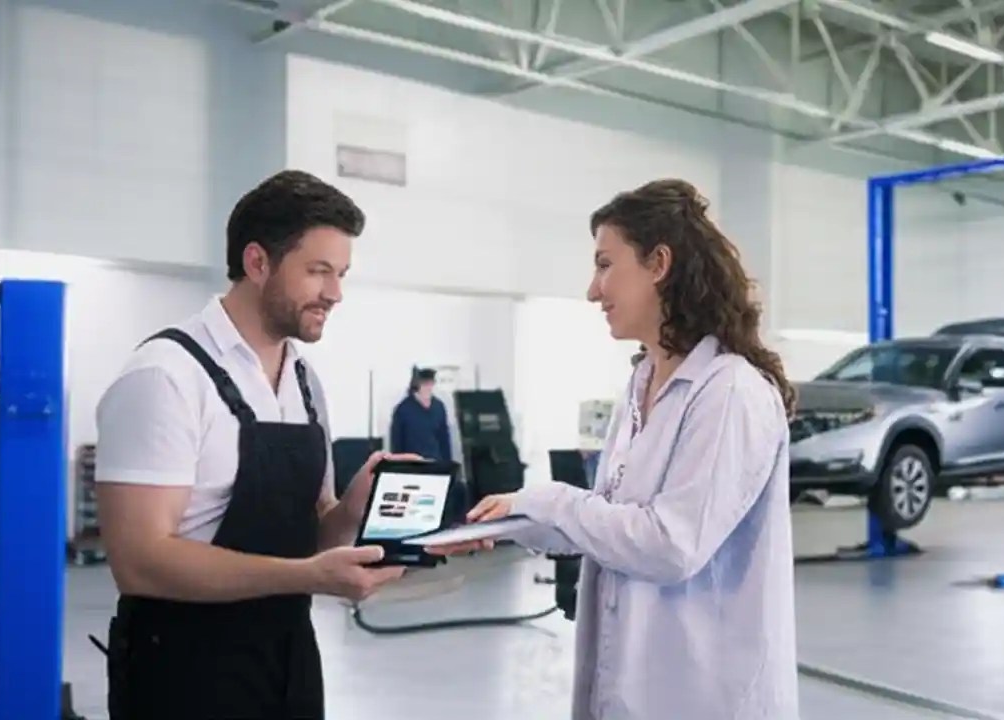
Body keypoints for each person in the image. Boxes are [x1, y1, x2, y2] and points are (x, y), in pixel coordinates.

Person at [430, 178, 801, 720]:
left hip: (701, 699)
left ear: (658, 264)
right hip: (629, 694)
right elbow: (610, 522)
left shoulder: (730, 391)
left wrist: (554, 500)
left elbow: (671, 544)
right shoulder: (642, 383)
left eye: (605, 264)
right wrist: (508, 520)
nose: (592, 290)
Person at [94, 170, 412, 720]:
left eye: (341, 274)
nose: (335, 293)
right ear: (257, 262)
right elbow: (139, 561)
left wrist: (352, 511)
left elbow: (310, 534)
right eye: (318, 271)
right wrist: (309, 577)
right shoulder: (165, 376)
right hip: (182, 672)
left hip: (289, 661)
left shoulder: (305, 383)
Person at [389, 366, 453, 461]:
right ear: (417, 385)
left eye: (431, 384)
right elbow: (397, 443)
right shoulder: (403, 410)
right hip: (412, 464)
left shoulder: (438, 407)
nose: (428, 388)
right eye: (425, 384)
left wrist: (447, 465)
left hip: (435, 463)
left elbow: (444, 440)